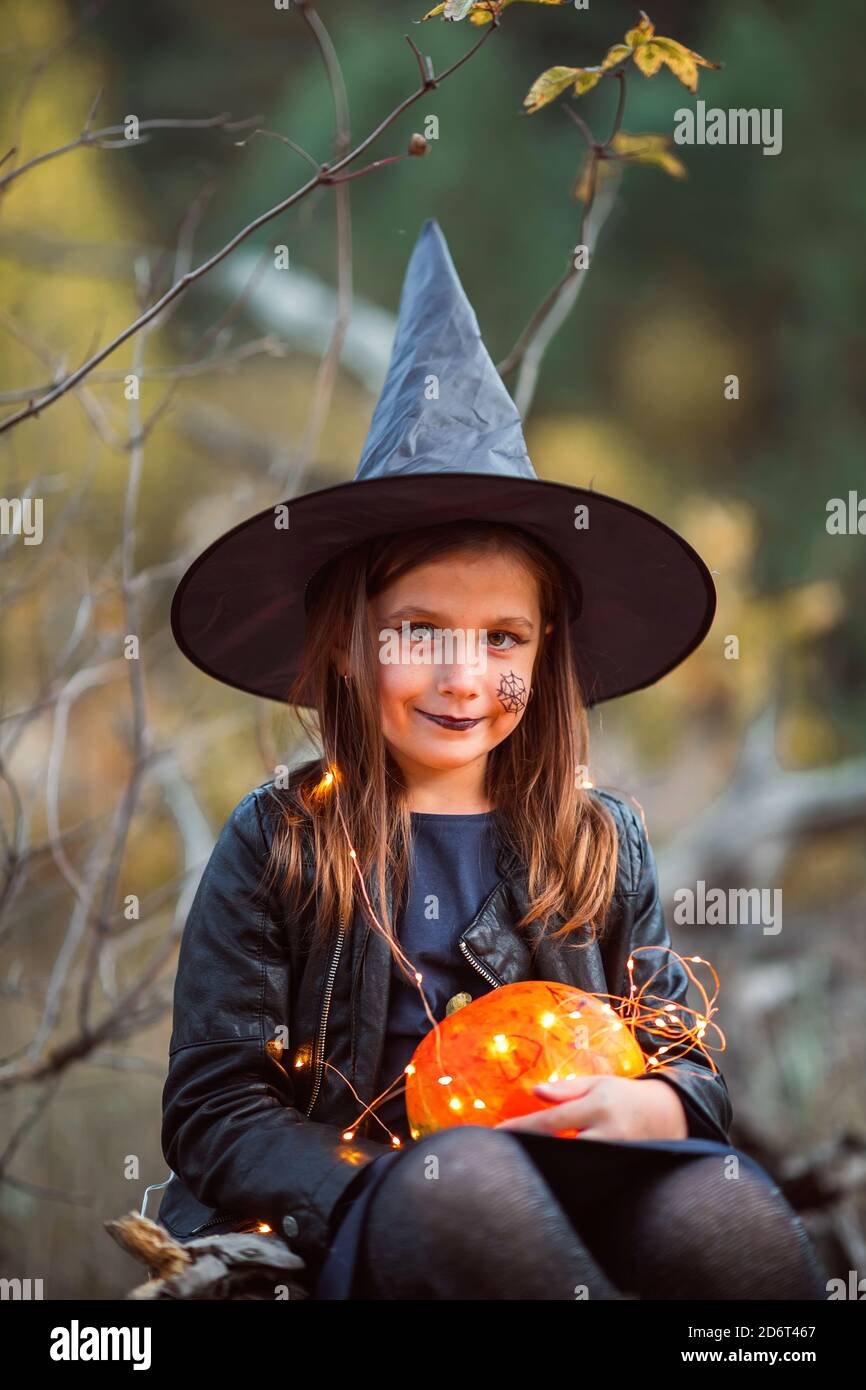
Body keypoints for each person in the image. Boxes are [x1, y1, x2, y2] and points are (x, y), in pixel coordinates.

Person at [159, 219, 829, 1300]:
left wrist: (656, 1110)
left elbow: (680, 1052)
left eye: (500, 638)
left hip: (582, 1178)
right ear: (347, 639)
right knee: (465, 1175)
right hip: (368, 1212)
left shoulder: (597, 842)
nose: (461, 676)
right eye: (419, 629)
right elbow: (215, 1108)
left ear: (544, 649)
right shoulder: (282, 844)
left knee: (722, 1205)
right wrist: (375, 1174)